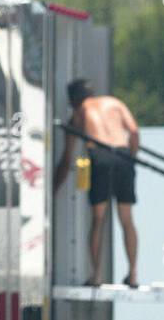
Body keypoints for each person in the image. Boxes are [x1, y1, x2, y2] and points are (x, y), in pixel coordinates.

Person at [54, 78, 141, 287]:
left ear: (73, 101)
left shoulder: (79, 112)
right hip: (123, 155)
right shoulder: (114, 103)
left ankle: (96, 276)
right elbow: (134, 132)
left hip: (99, 157)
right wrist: (132, 158)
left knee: (98, 219)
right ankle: (133, 274)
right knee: (127, 219)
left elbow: (67, 159)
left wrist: (53, 190)